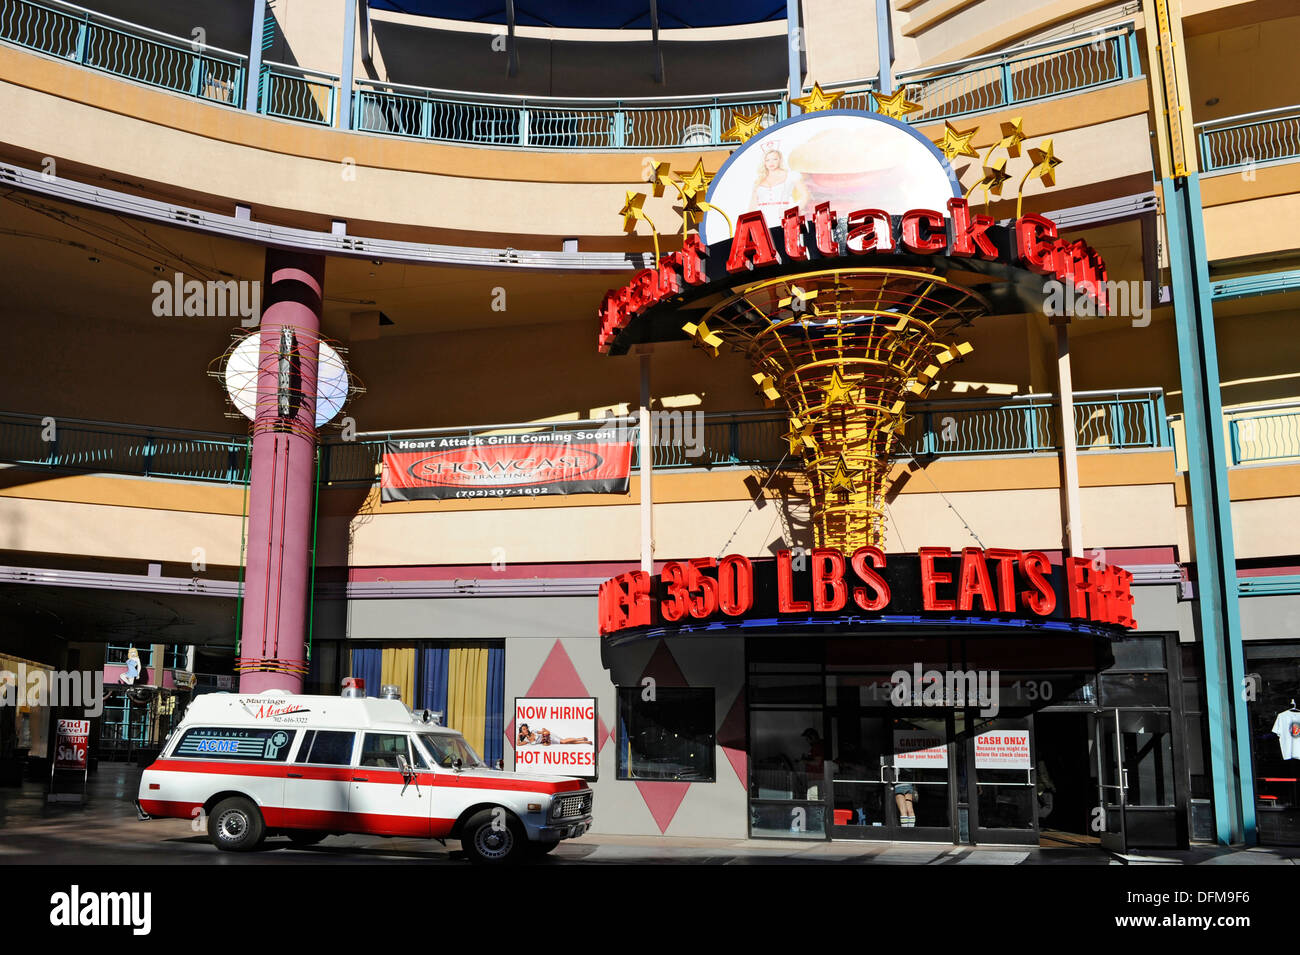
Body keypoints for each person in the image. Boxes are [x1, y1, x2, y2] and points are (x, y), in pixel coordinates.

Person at [749, 141, 804, 225]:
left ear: (780, 160)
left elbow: (806, 196)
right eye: (767, 160)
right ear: (764, 162)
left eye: (775, 159)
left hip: (785, 218)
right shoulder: (758, 180)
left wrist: (792, 212)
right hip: (763, 220)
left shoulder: (791, 175)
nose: (771, 163)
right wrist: (750, 222)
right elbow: (752, 205)